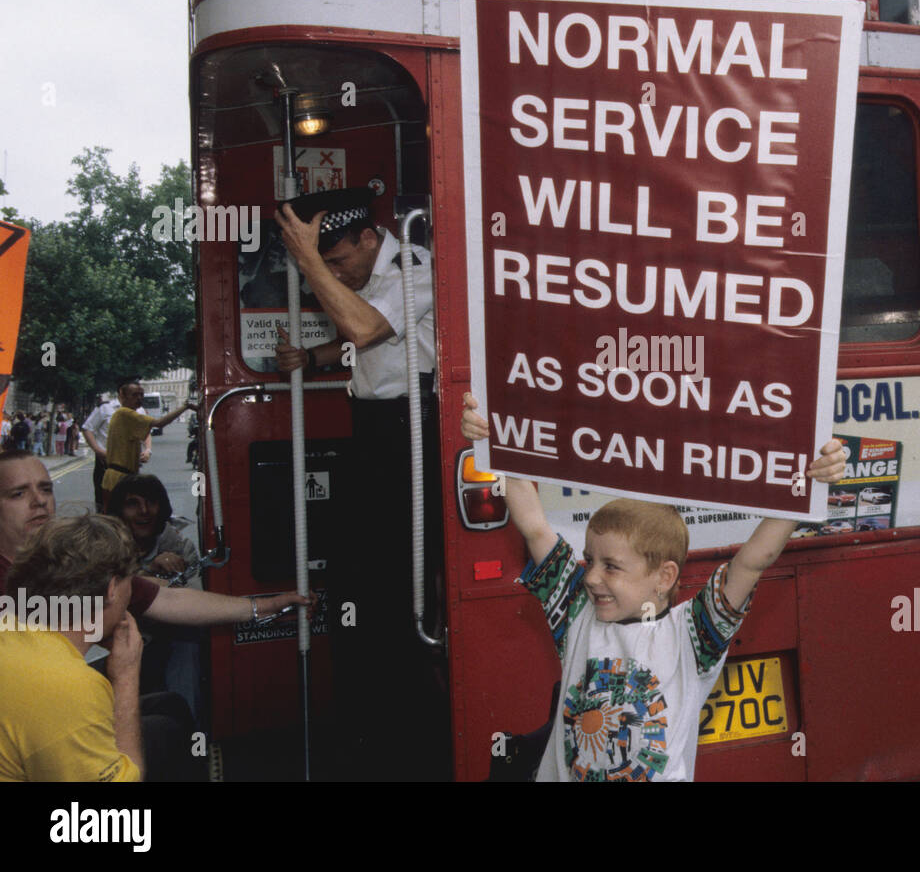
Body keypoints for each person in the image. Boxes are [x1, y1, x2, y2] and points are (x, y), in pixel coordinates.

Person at [460, 393, 848, 781]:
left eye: (611, 567)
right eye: (590, 559)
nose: (592, 577)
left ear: (664, 577)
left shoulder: (691, 636)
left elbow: (751, 561)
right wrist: (493, 442)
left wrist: (810, 481)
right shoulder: (576, 612)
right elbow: (535, 526)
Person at [273, 186, 444, 779]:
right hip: (373, 429)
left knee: (398, 583)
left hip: (413, 431)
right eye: (328, 262)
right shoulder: (369, 268)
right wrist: (317, 358)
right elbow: (360, 346)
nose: (334, 271)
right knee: (355, 576)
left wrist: (310, 262)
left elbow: (368, 329)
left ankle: (407, 731)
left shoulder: (413, 266)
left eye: (340, 258)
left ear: (369, 238)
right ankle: (364, 719)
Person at [0, 452, 312, 666]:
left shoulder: (69, 559)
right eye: (18, 494)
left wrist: (265, 606)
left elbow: (168, 600)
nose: (39, 501)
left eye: (45, 489)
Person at [0, 514, 147, 781]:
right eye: (130, 580)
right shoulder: (68, 687)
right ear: (113, 588)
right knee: (167, 733)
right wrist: (126, 677)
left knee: (166, 709)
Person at [106, 474, 204, 721]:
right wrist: (147, 572)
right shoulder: (106, 549)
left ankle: (187, 728)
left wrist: (175, 575)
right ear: (119, 510)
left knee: (187, 641)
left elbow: (197, 600)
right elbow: (103, 598)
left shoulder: (179, 546)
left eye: (151, 502)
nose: (144, 511)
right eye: (133, 504)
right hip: (119, 641)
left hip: (169, 640)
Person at [99, 381, 185, 509]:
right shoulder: (125, 414)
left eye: (141, 395)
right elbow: (159, 423)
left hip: (120, 476)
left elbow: (145, 435)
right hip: (119, 478)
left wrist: (146, 450)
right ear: (122, 396)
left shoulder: (122, 414)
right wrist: (185, 407)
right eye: (134, 395)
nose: (139, 398)